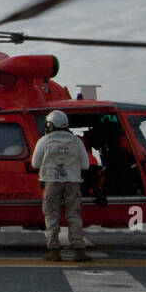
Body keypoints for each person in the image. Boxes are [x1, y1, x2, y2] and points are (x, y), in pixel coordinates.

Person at [31, 110, 92, 262]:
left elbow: (35, 164)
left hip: (51, 182)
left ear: (50, 124)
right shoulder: (76, 141)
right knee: (74, 215)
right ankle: (79, 250)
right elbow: (85, 165)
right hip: (73, 182)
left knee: (51, 215)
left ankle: (53, 250)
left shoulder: (44, 140)